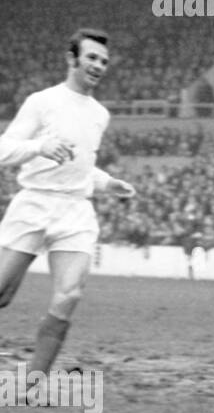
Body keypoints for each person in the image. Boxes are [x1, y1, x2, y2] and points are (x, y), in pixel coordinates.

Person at [0, 28, 136, 378]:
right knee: (1, 293)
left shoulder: (99, 114)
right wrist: (37, 147)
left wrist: (106, 182)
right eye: (91, 57)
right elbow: (4, 149)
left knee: (70, 294)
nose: (98, 65)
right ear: (71, 59)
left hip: (76, 210)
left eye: (104, 61)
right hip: (33, 204)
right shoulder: (42, 101)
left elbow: (81, 167)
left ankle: (32, 383)